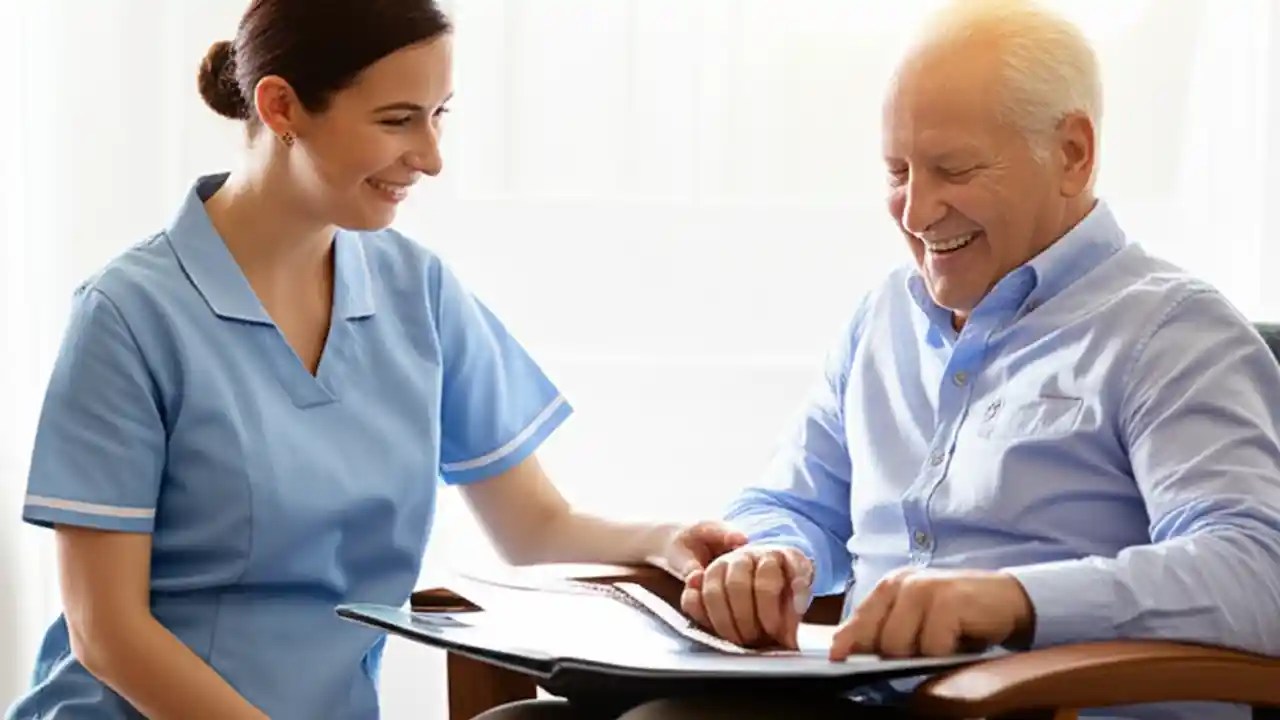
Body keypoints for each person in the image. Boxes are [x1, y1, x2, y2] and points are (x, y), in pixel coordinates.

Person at [3, 2, 748, 719]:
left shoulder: (416, 293)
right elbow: (107, 634)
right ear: (281, 107)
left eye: (438, 114)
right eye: (397, 120)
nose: (429, 157)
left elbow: (535, 526)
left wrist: (663, 540)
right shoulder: (129, 315)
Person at [666, 1, 1280, 719]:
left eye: (952, 170)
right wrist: (768, 559)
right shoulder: (881, 320)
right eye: (898, 172)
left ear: (1073, 153)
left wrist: (1012, 600)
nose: (916, 212)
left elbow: (1259, 573)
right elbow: (790, 504)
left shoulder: (1173, 332)